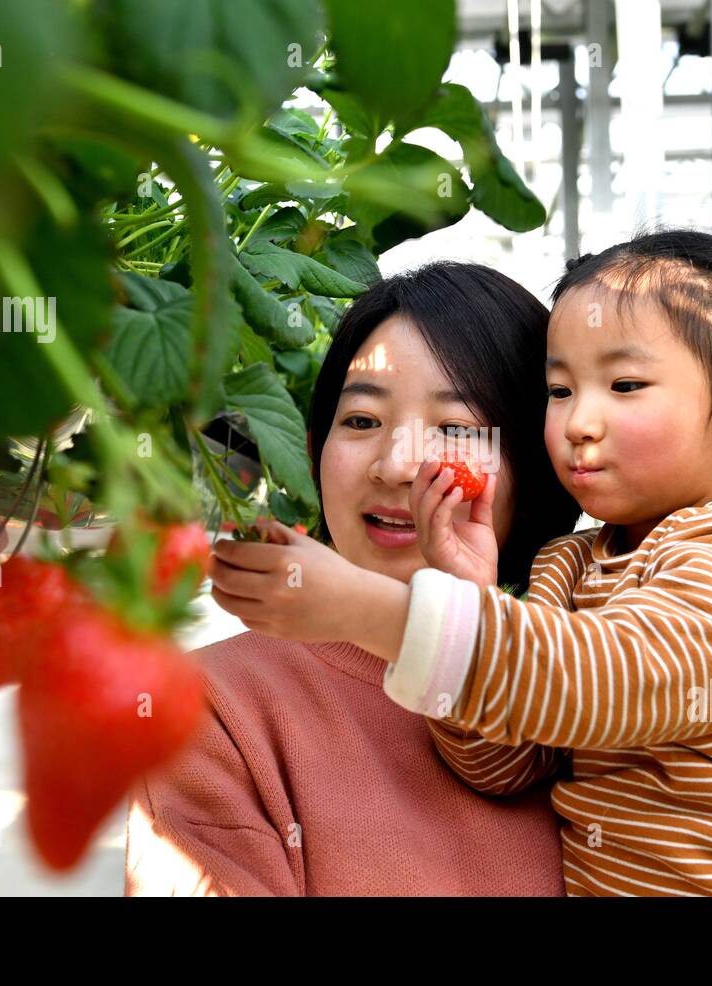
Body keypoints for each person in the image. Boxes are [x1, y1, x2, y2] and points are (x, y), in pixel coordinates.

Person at [210, 218, 712, 897]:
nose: (579, 422)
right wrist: (469, 594)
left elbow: (609, 682)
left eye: (625, 386)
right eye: (560, 391)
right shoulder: (569, 568)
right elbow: (505, 763)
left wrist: (375, 611)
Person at [125, 261, 582, 896]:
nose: (397, 465)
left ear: (533, 469)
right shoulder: (209, 708)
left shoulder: (588, 683)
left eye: (456, 428)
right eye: (362, 421)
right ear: (313, 449)